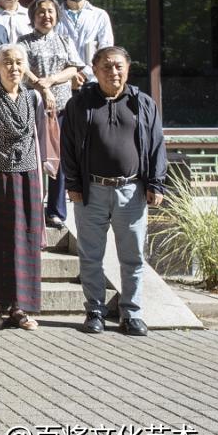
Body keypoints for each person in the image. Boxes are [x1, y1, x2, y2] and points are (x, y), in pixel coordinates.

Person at [62, 46, 167, 336]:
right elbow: (68, 146)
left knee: (132, 257)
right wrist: (72, 184)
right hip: (91, 190)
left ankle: (131, 313)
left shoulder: (142, 102)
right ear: (94, 71)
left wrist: (156, 183)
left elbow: (157, 145)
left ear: (128, 69)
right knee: (90, 256)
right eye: (106, 66)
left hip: (131, 191)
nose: (113, 72)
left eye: (119, 66)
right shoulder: (80, 104)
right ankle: (94, 311)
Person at [0, 44, 54, 332]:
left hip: (27, 175)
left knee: (25, 241)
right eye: (7, 62)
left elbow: (42, 139)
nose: (13, 68)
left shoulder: (34, 99)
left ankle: (20, 307)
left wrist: (45, 177)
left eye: (19, 63)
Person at [19, 0, 84, 229]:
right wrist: (41, 86)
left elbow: (73, 68)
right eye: (40, 12)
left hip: (62, 108)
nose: (46, 16)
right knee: (33, 158)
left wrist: (51, 80)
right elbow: (21, 68)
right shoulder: (23, 41)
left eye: (50, 11)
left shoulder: (65, 40)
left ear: (56, 15)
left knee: (60, 159)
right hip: (33, 107)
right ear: (32, 16)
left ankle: (55, 211)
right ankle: (33, 208)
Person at [56, 0, 114, 86]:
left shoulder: (100, 15)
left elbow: (106, 49)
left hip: (93, 81)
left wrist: (84, 74)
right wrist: (68, 76)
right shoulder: (54, 15)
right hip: (60, 83)